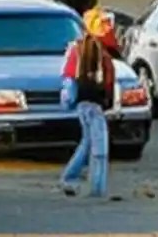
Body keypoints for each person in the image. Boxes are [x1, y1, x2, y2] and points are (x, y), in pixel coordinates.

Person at [59, 33, 116, 198]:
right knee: (100, 149)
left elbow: (69, 81)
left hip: (82, 105)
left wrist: (69, 101)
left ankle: (69, 177)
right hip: (94, 105)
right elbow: (107, 84)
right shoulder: (99, 55)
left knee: (87, 143)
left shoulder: (78, 52)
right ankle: (97, 187)